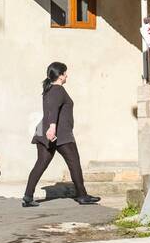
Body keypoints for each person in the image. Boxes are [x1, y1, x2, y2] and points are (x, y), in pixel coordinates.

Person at [22, 62, 100, 207]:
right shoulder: (58, 89)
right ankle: (82, 196)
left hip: (44, 131)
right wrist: (52, 128)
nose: (67, 75)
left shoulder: (49, 89)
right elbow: (53, 110)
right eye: (65, 73)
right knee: (74, 163)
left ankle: (28, 196)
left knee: (41, 164)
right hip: (60, 134)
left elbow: (51, 109)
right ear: (60, 75)